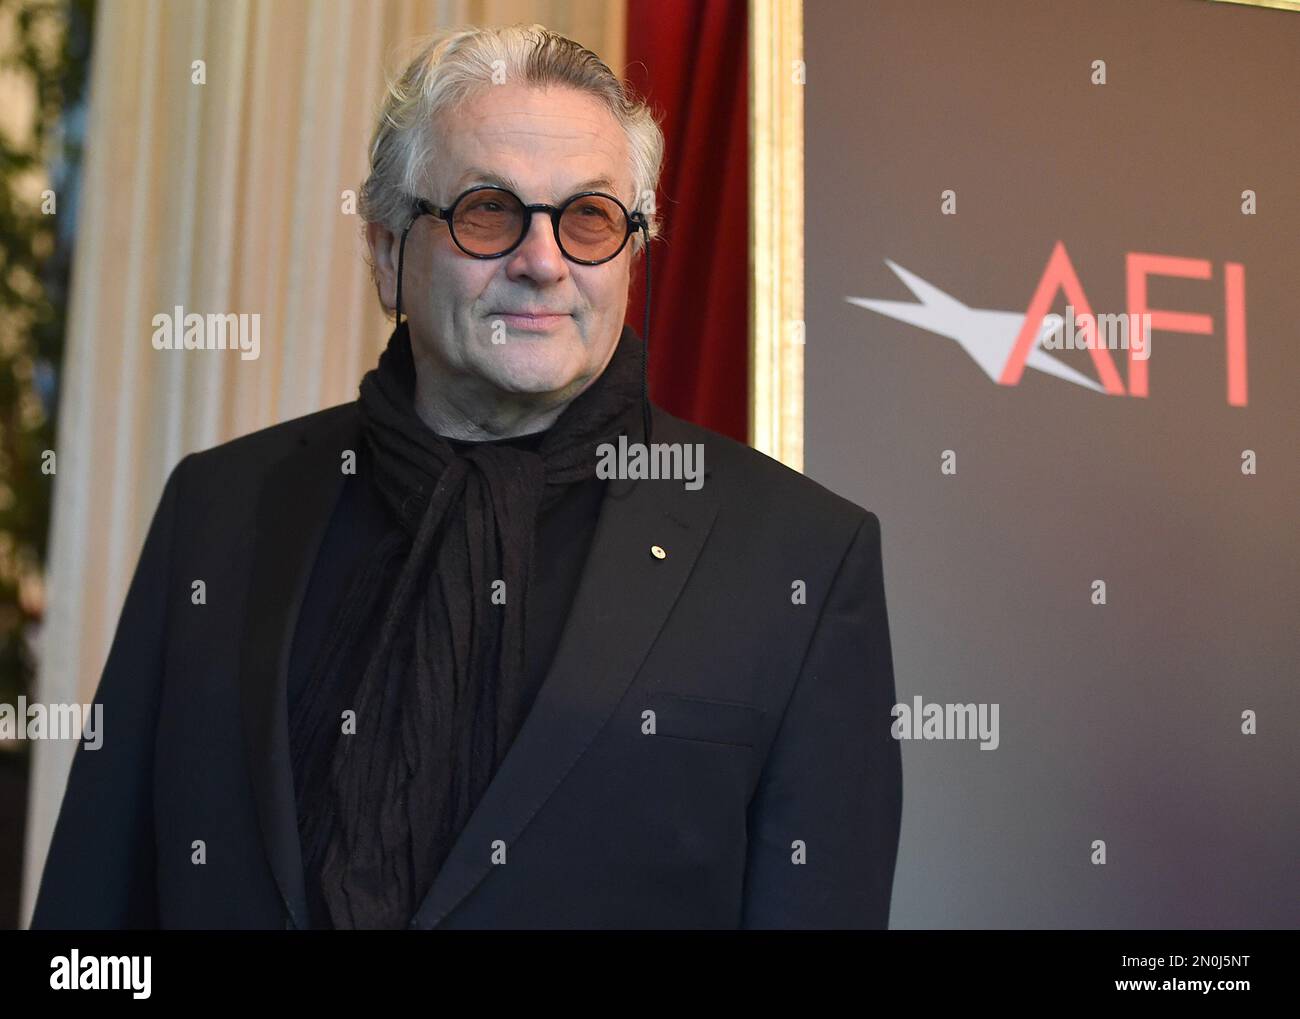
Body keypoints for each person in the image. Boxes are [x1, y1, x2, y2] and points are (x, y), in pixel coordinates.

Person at [30, 23, 901, 930]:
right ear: (384, 250)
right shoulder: (218, 510)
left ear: (631, 252)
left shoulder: (801, 557)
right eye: (489, 210)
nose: (544, 261)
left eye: (590, 218)